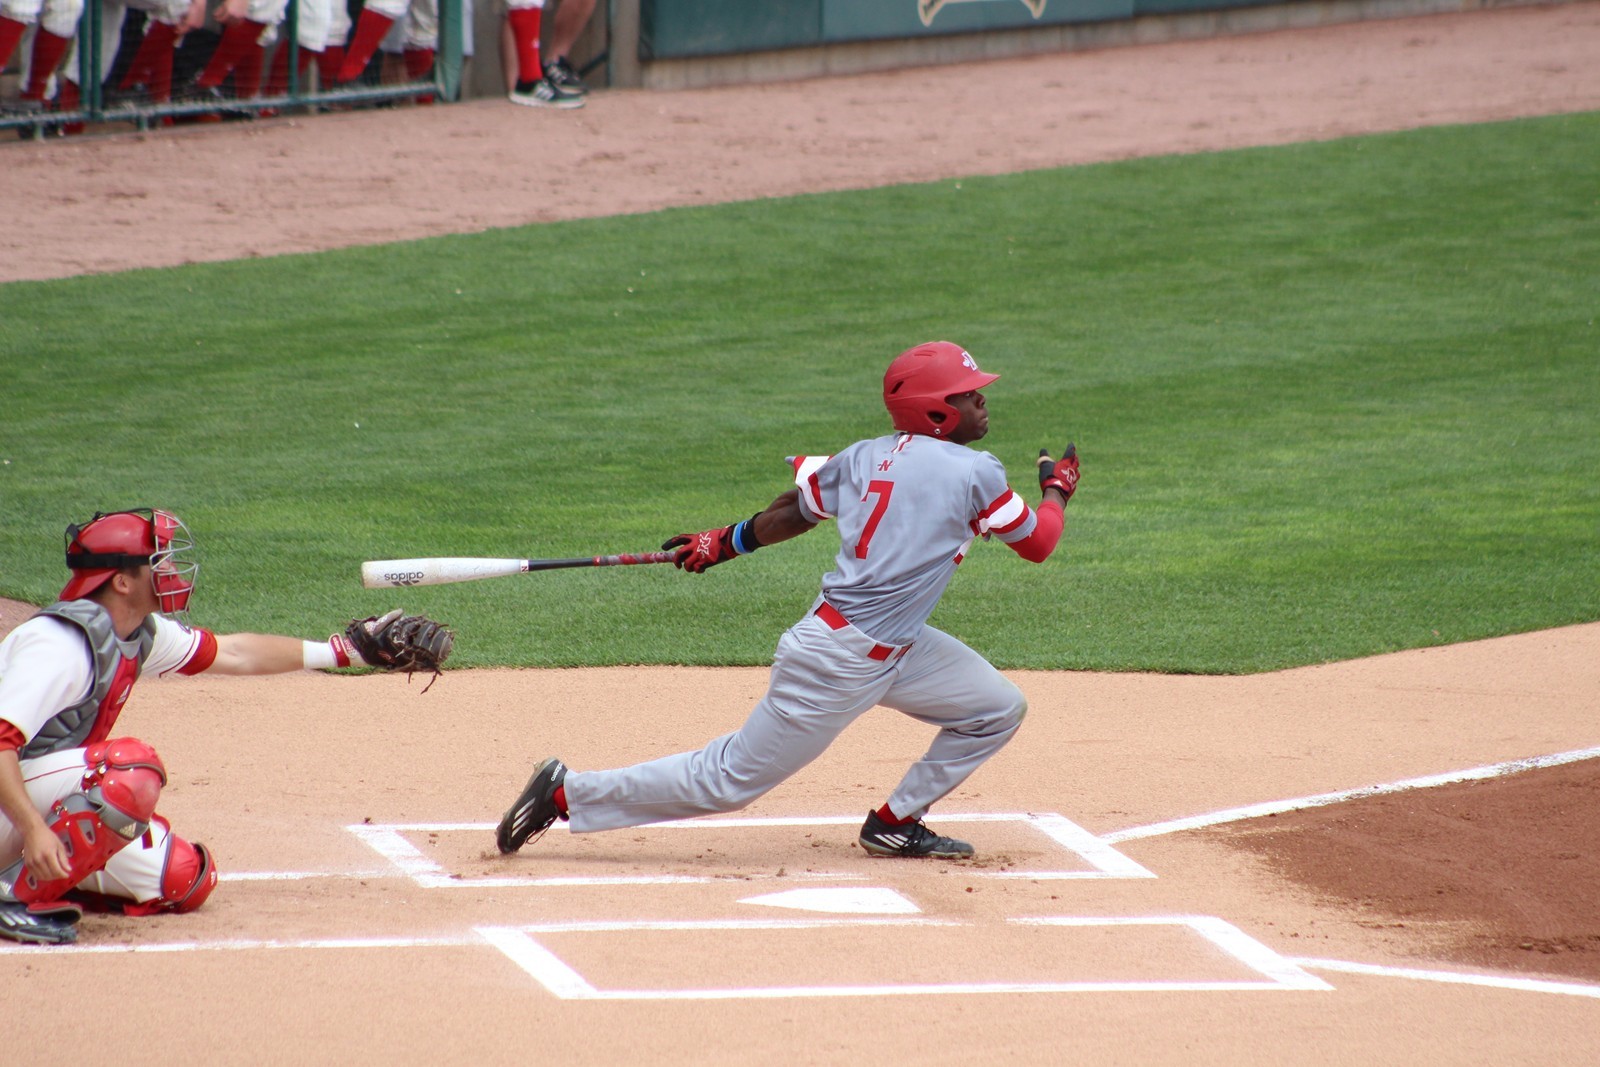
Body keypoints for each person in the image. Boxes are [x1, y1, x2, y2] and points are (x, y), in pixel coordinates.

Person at [495, 341, 1081, 861]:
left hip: (898, 647)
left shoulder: (862, 455)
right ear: (937, 411)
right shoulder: (975, 471)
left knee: (996, 709)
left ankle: (895, 823)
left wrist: (724, 541)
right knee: (727, 780)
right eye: (971, 396)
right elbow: (1039, 543)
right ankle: (567, 792)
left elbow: (793, 511)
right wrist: (1057, 489)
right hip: (839, 659)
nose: (983, 404)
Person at [0, 508, 435, 945]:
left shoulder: (135, 632)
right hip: (11, 808)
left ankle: (42, 874)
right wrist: (36, 831)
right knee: (128, 771)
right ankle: (9, 897)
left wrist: (344, 653)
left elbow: (234, 654)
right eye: (159, 562)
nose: (171, 570)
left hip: (27, 801)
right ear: (122, 581)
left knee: (182, 878)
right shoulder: (58, 645)